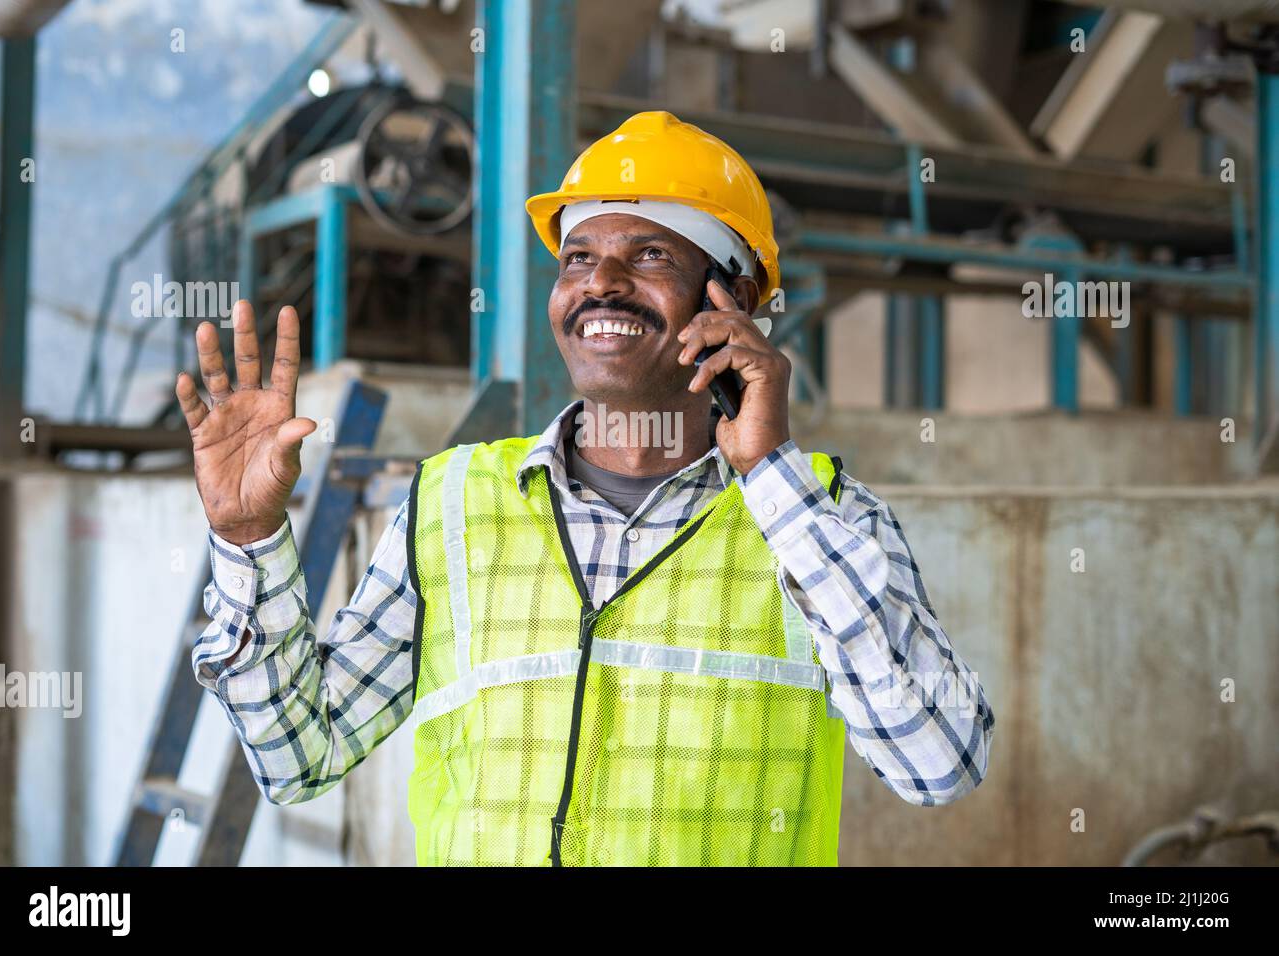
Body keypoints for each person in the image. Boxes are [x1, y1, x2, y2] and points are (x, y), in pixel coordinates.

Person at [176, 110, 993, 867]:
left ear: (736, 301)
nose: (600, 284)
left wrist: (771, 475)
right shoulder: (451, 505)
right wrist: (250, 543)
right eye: (577, 258)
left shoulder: (821, 515)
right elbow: (299, 756)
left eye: (649, 255)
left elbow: (940, 763)